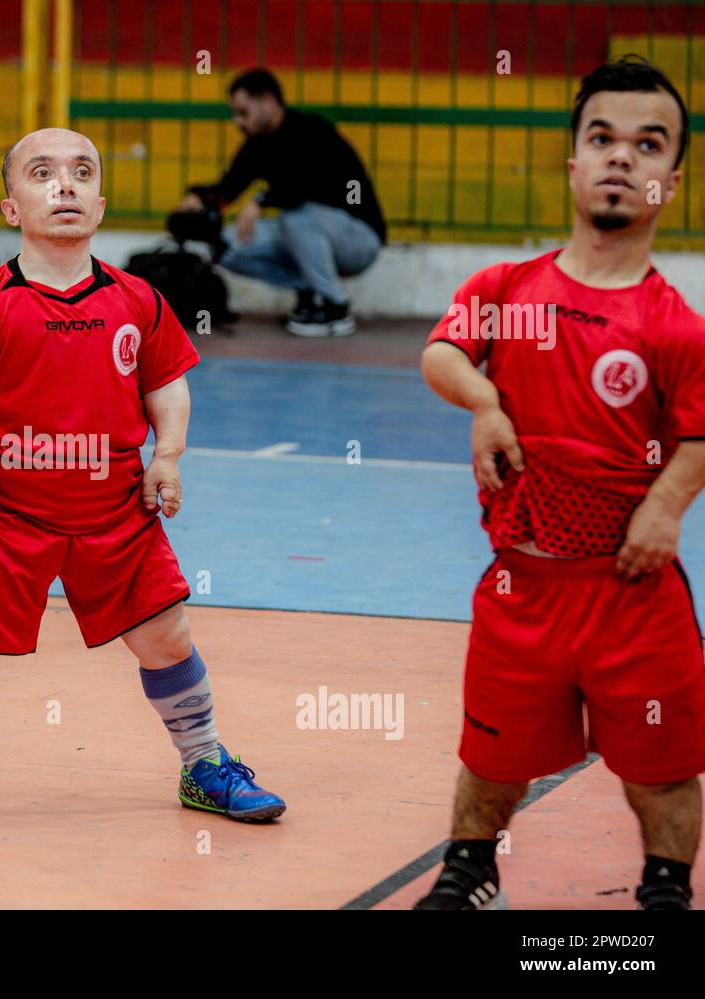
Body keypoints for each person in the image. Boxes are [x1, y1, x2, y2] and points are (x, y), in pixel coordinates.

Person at [0, 127, 287, 835]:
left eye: (82, 172)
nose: (65, 185)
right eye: (43, 173)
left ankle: (204, 764)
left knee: (168, 637)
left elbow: (169, 387)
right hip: (9, 516)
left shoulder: (139, 300)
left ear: (100, 203)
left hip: (116, 514)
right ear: (10, 208)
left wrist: (169, 455)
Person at [417, 56, 705, 910]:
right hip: (521, 584)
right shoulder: (506, 289)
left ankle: (663, 892)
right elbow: (441, 354)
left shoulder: (676, 326)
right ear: (573, 162)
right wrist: (485, 402)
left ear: (670, 183)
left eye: (646, 145)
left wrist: (665, 504)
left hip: (631, 592)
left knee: (662, 766)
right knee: (491, 758)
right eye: (602, 138)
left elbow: (698, 432)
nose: (622, 157)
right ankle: (470, 871)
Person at [178, 68, 386, 337]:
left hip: (358, 238)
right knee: (225, 245)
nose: (238, 122)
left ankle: (335, 308)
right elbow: (229, 189)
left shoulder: (312, 130)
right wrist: (198, 199)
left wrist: (260, 201)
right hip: (307, 232)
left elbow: (307, 186)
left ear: (268, 101)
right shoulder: (256, 144)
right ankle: (310, 290)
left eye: (244, 112)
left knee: (296, 218)